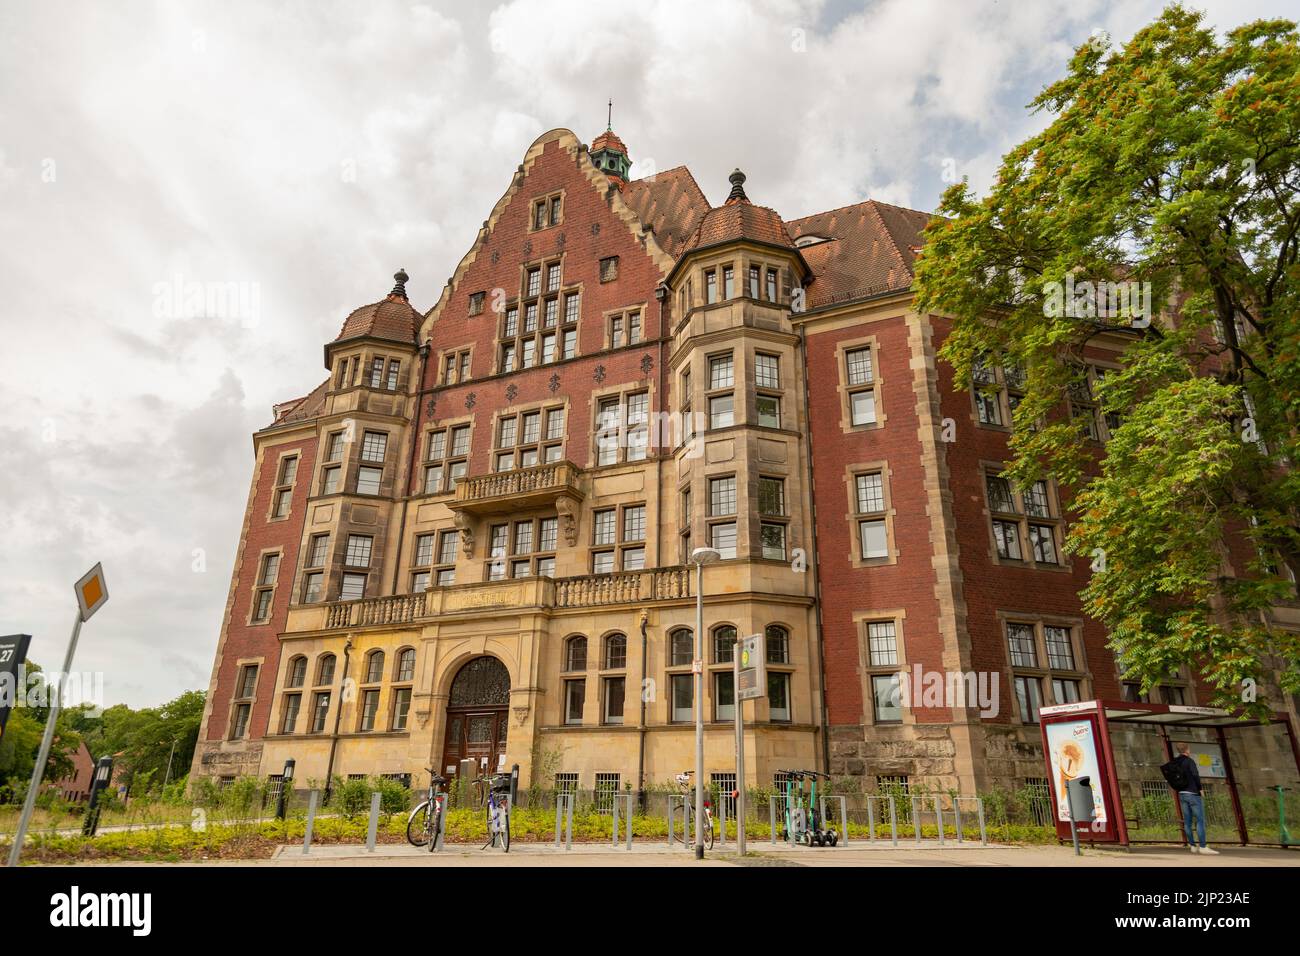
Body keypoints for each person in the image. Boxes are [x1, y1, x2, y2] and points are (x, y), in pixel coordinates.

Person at [1172, 742, 1218, 855]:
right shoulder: (1189, 761)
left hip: (1182, 794)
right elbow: (1195, 775)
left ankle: (1192, 846)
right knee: (1200, 820)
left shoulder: (1175, 762)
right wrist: (1200, 788)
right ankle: (1202, 846)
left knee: (1187, 821)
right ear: (1187, 749)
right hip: (1192, 793)